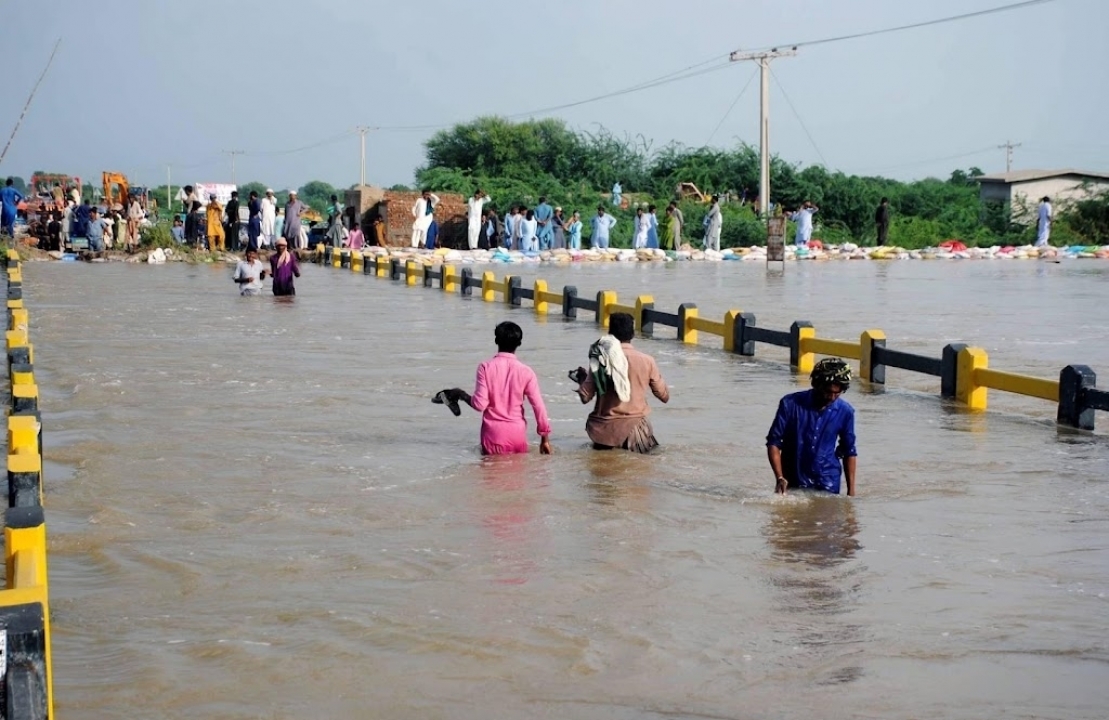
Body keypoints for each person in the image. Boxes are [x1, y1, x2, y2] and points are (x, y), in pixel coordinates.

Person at [435, 322, 553, 456]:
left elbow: (480, 405)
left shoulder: (485, 368)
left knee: (492, 475)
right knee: (517, 476)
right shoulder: (527, 372)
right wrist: (545, 438)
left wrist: (461, 394)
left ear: (496, 340)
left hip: (493, 436)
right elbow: (539, 407)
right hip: (518, 436)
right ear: (519, 343)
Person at [572, 312, 669, 453]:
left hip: (604, 432)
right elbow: (664, 396)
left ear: (610, 335)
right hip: (636, 433)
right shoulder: (647, 361)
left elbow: (585, 397)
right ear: (632, 334)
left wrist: (583, 379)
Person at [766, 357, 857, 497]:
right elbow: (774, 442)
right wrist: (779, 477)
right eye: (828, 392)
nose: (832, 397)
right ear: (817, 385)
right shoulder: (790, 404)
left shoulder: (846, 411)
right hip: (793, 480)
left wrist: (851, 493)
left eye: (837, 393)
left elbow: (849, 451)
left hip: (828, 482)